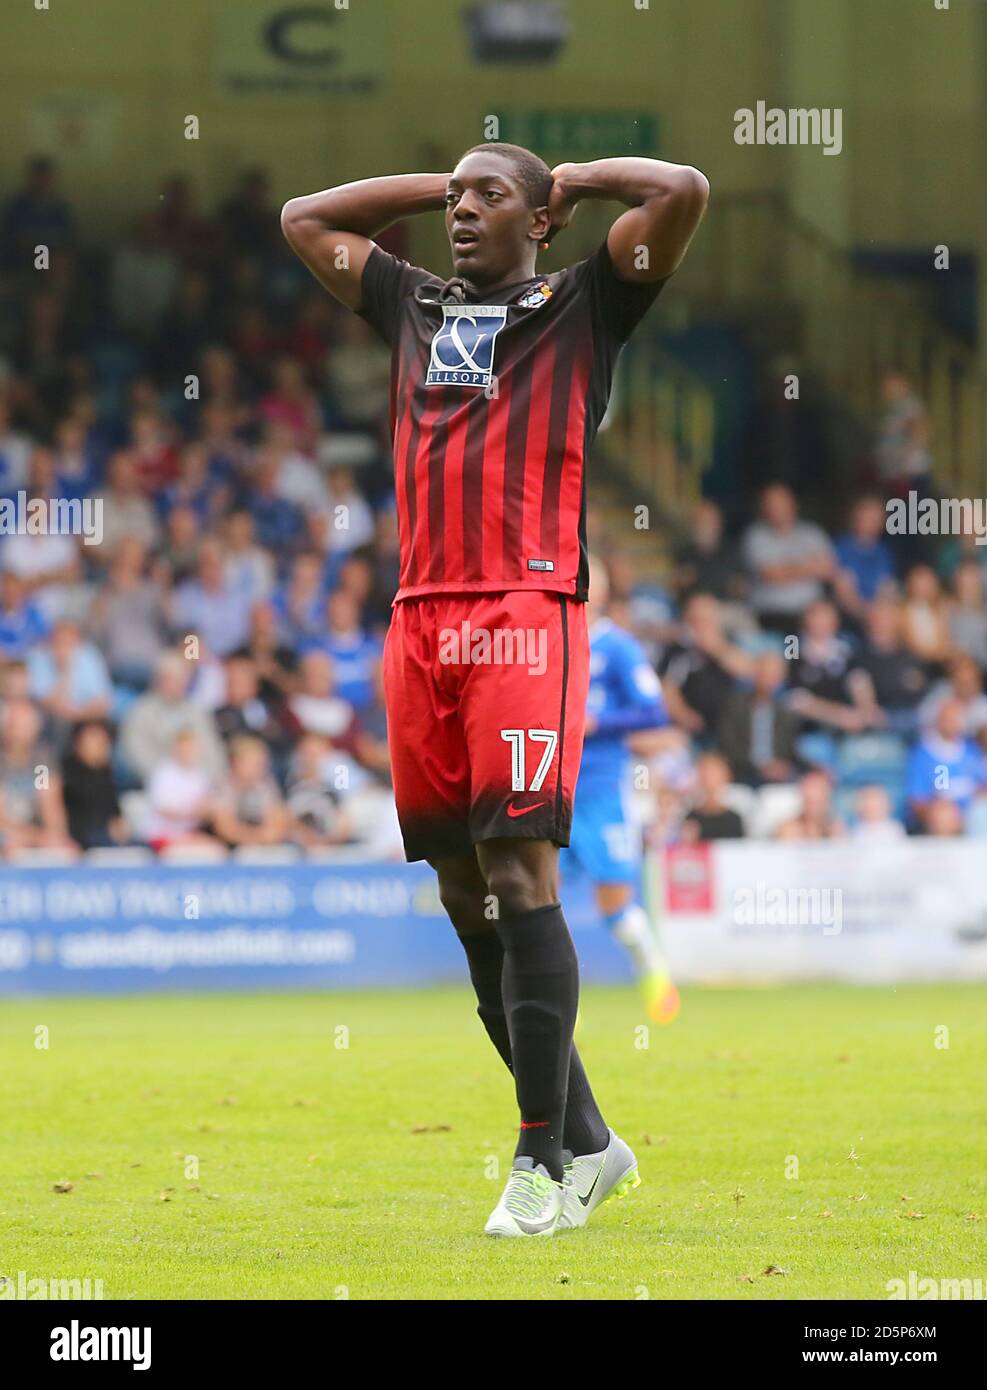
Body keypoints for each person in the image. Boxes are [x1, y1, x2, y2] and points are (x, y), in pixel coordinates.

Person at [282, 140, 709, 1236]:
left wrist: (570, 175)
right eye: (457, 198)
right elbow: (304, 214)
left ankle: (533, 1163)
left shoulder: (586, 304)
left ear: (543, 218)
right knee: (469, 900)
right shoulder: (412, 303)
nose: (465, 213)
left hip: (524, 615)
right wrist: (434, 183)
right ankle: (591, 1144)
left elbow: (682, 192)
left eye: (489, 198)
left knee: (523, 878)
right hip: (419, 622)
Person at [561, 558, 677, 1024]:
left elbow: (654, 713)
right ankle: (545, 995)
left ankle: (652, 967)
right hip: (547, 789)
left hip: (602, 791)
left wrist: (597, 724)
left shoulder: (619, 648)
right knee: (535, 894)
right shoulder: (548, 644)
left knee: (615, 902)